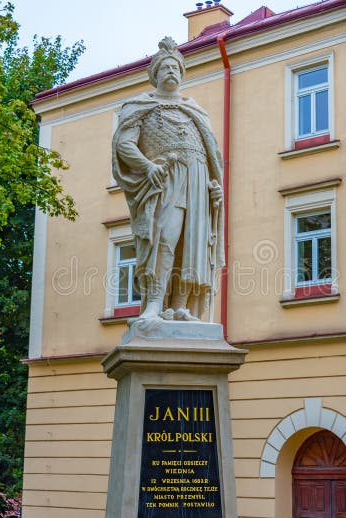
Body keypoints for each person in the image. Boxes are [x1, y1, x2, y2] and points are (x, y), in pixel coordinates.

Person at [112, 37, 224, 321]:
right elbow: (125, 145)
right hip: (166, 179)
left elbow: (212, 156)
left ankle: (181, 306)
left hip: (198, 181)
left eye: (176, 67)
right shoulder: (138, 107)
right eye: (165, 67)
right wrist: (147, 166)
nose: (171, 71)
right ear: (155, 74)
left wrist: (215, 188)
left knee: (193, 244)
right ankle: (154, 303)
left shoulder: (196, 111)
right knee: (164, 237)